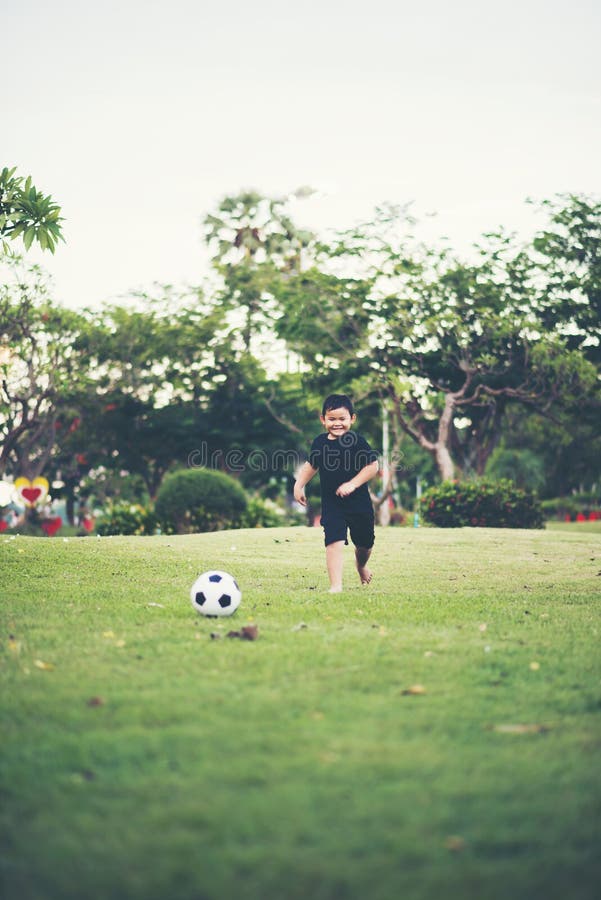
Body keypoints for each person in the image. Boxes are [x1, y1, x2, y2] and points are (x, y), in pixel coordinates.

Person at [294, 394, 380, 593]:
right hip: (333, 504)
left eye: (342, 419)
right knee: (333, 541)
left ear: (352, 419)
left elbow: (372, 467)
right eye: (332, 419)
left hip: (359, 504)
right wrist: (299, 485)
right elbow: (311, 466)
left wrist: (352, 484)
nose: (337, 423)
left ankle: (361, 566)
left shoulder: (357, 442)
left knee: (364, 544)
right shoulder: (319, 443)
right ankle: (336, 586)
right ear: (323, 419)